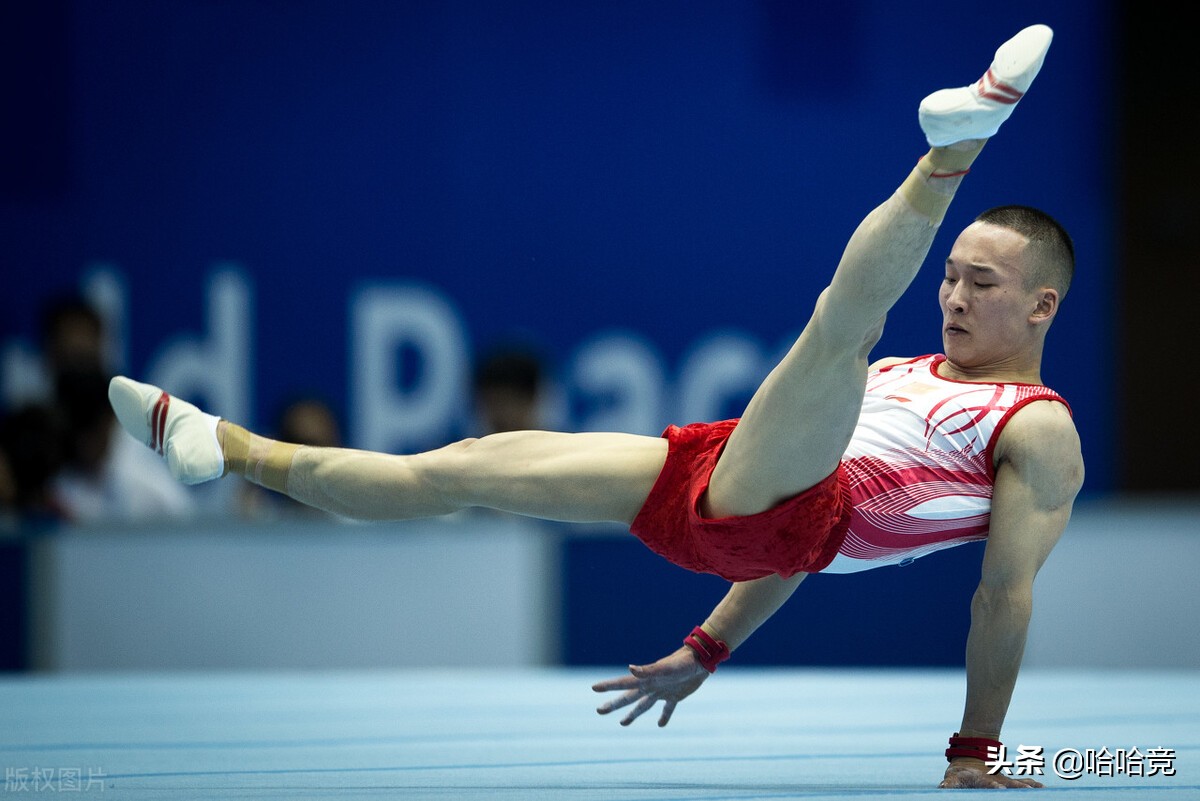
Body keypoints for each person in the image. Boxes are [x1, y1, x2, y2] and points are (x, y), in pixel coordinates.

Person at [106, 24, 1081, 789]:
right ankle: (228, 448)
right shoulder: (911, 372)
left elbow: (1002, 596)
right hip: (729, 473)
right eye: (950, 277)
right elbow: (780, 541)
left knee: (834, 329)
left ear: (1042, 305)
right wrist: (708, 648)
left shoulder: (1035, 429)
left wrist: (975, 747)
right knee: (451, 472)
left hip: (796, 502)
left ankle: (953, 150)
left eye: (981, 284)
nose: (953, 298)